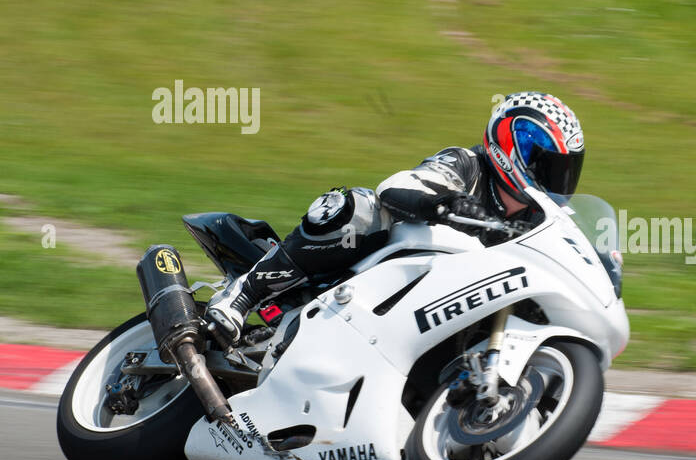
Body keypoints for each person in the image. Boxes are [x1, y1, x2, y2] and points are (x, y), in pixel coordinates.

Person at [203, 91, 585, 346]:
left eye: (565, 171)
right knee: (359, 208)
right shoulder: (468, 166)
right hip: (381, 276)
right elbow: (397, 187)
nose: (557, 182)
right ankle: (244, 293)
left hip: (433, 314)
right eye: (549, 168)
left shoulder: (542, 219)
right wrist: (449, 204)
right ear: (512, 149)